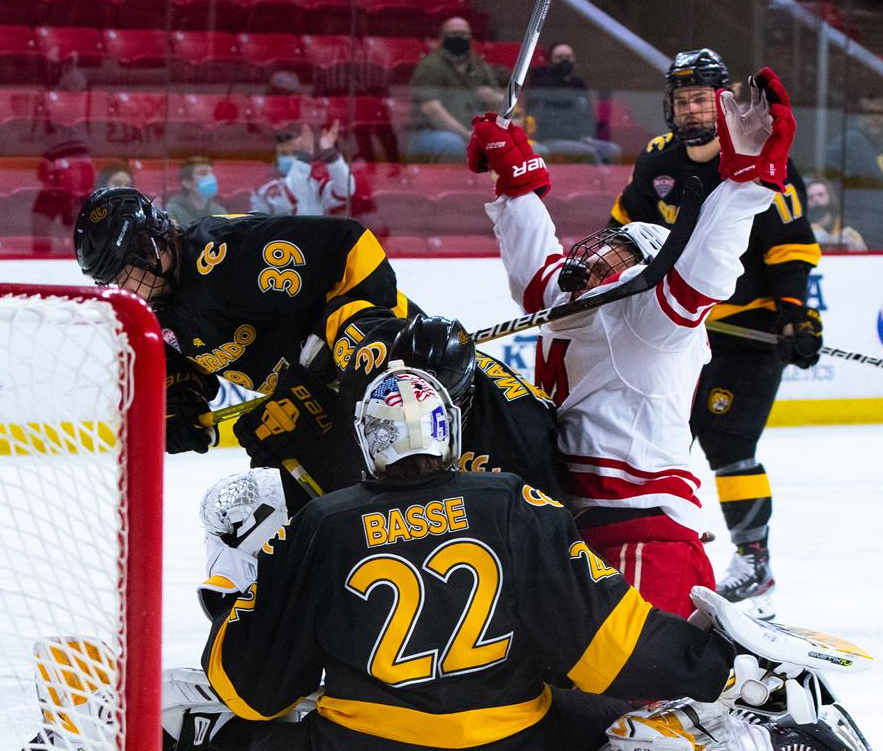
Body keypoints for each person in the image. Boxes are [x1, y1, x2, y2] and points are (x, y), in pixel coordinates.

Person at [125, 368, 880, 751]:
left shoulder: (322, 524)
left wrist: (240, 599)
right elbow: (612, 644)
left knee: (241, 750)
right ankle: (746, 747)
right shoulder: (514, 503)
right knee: (618, 719)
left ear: (366, 443)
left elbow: (250, 688)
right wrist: (720, 666)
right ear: (449, 432)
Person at [470, 67, 799, 619]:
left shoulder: (648, 321)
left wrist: (745, 185)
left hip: (644, 536)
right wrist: (515, 176)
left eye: (619, 253)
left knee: (643, 677)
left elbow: (704, 273)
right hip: (572, 528)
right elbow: (534, 269)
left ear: (646, 274)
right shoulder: (572, 302)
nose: (596, 256)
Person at [70, 187, 562, 510]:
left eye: (123, 273)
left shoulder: (225, 259)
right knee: (284, 487)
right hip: (319, 401)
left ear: (152, 248)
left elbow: (349, 244)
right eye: (109, 280)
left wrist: (358, 340)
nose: (122, 288)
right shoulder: (159, 303)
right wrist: (180, 392)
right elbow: (180, 348)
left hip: (386, 374)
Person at [612, 48, 821, 615]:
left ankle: (755, 565)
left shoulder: (756, 154)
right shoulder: (656, 160)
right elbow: (622, 230)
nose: (691, 109)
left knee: (728, 442)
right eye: (682, 99)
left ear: (723, 101)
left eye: (701, 98)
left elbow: (789, 246)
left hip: (748, 326)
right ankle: (671, 551)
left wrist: (796, 314)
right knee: (659, 439)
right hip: (677, 329)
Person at [407, 16, 507, 163]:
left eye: (464, 34)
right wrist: (466, 134)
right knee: (452, 144)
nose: (459, 37)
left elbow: (501, 101)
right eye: (453, 33)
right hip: (429, 132)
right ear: (442, 37)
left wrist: (495, 97)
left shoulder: (479, 65)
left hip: (473, 130)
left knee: (522, 147)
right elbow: (431, 110)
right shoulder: (430, 66)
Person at [828, 94, 883, 247]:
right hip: (862, 238)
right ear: (859, 118)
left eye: (882, 113)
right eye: (870, 112)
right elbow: (826, 176)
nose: (876, 118)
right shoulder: (850, 142)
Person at [526, 42, 618, 164]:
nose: (565, 61)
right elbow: (541, 117)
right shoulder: (541, 85)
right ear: (550, 60)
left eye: (568, 57)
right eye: (559, 58)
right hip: (552, 139)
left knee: (612, 150)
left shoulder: (577, 83)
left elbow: (588, 114)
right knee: (588, 153)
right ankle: (599, 176)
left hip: (580, 138)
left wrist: (586, 135)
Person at [247, 123, 352, 217]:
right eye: (284, 154)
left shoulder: (314, 180)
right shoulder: (263, 184)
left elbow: (345, 192)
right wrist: (304, 158)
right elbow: (288, 198)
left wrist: (332, 156)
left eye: (296, 153)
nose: (289, 158)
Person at [806, 179, 866, 250]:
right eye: (810, 197)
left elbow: (863, 254)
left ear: (830, 196)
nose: (815, 199)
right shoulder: (804, 231)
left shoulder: (848, 231)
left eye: (820, 194)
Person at [164, 156, 224, 225]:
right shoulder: (172, 211)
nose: (211, 177)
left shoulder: (219, 212)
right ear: (187, 183)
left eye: (212, 172)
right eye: (203, 173)